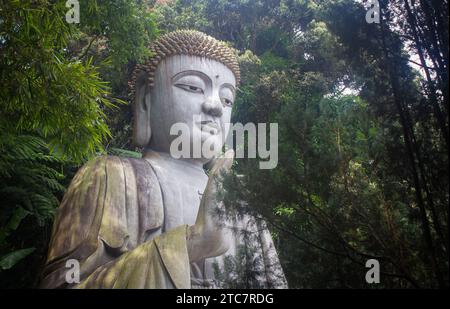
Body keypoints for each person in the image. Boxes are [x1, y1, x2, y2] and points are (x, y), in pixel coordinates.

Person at [41, 30, 287, 289]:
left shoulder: (244, 207)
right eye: (193, 87)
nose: (215, 106)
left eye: (227, 99)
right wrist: (191, 243)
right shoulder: (111, 176)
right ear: (146, 100)